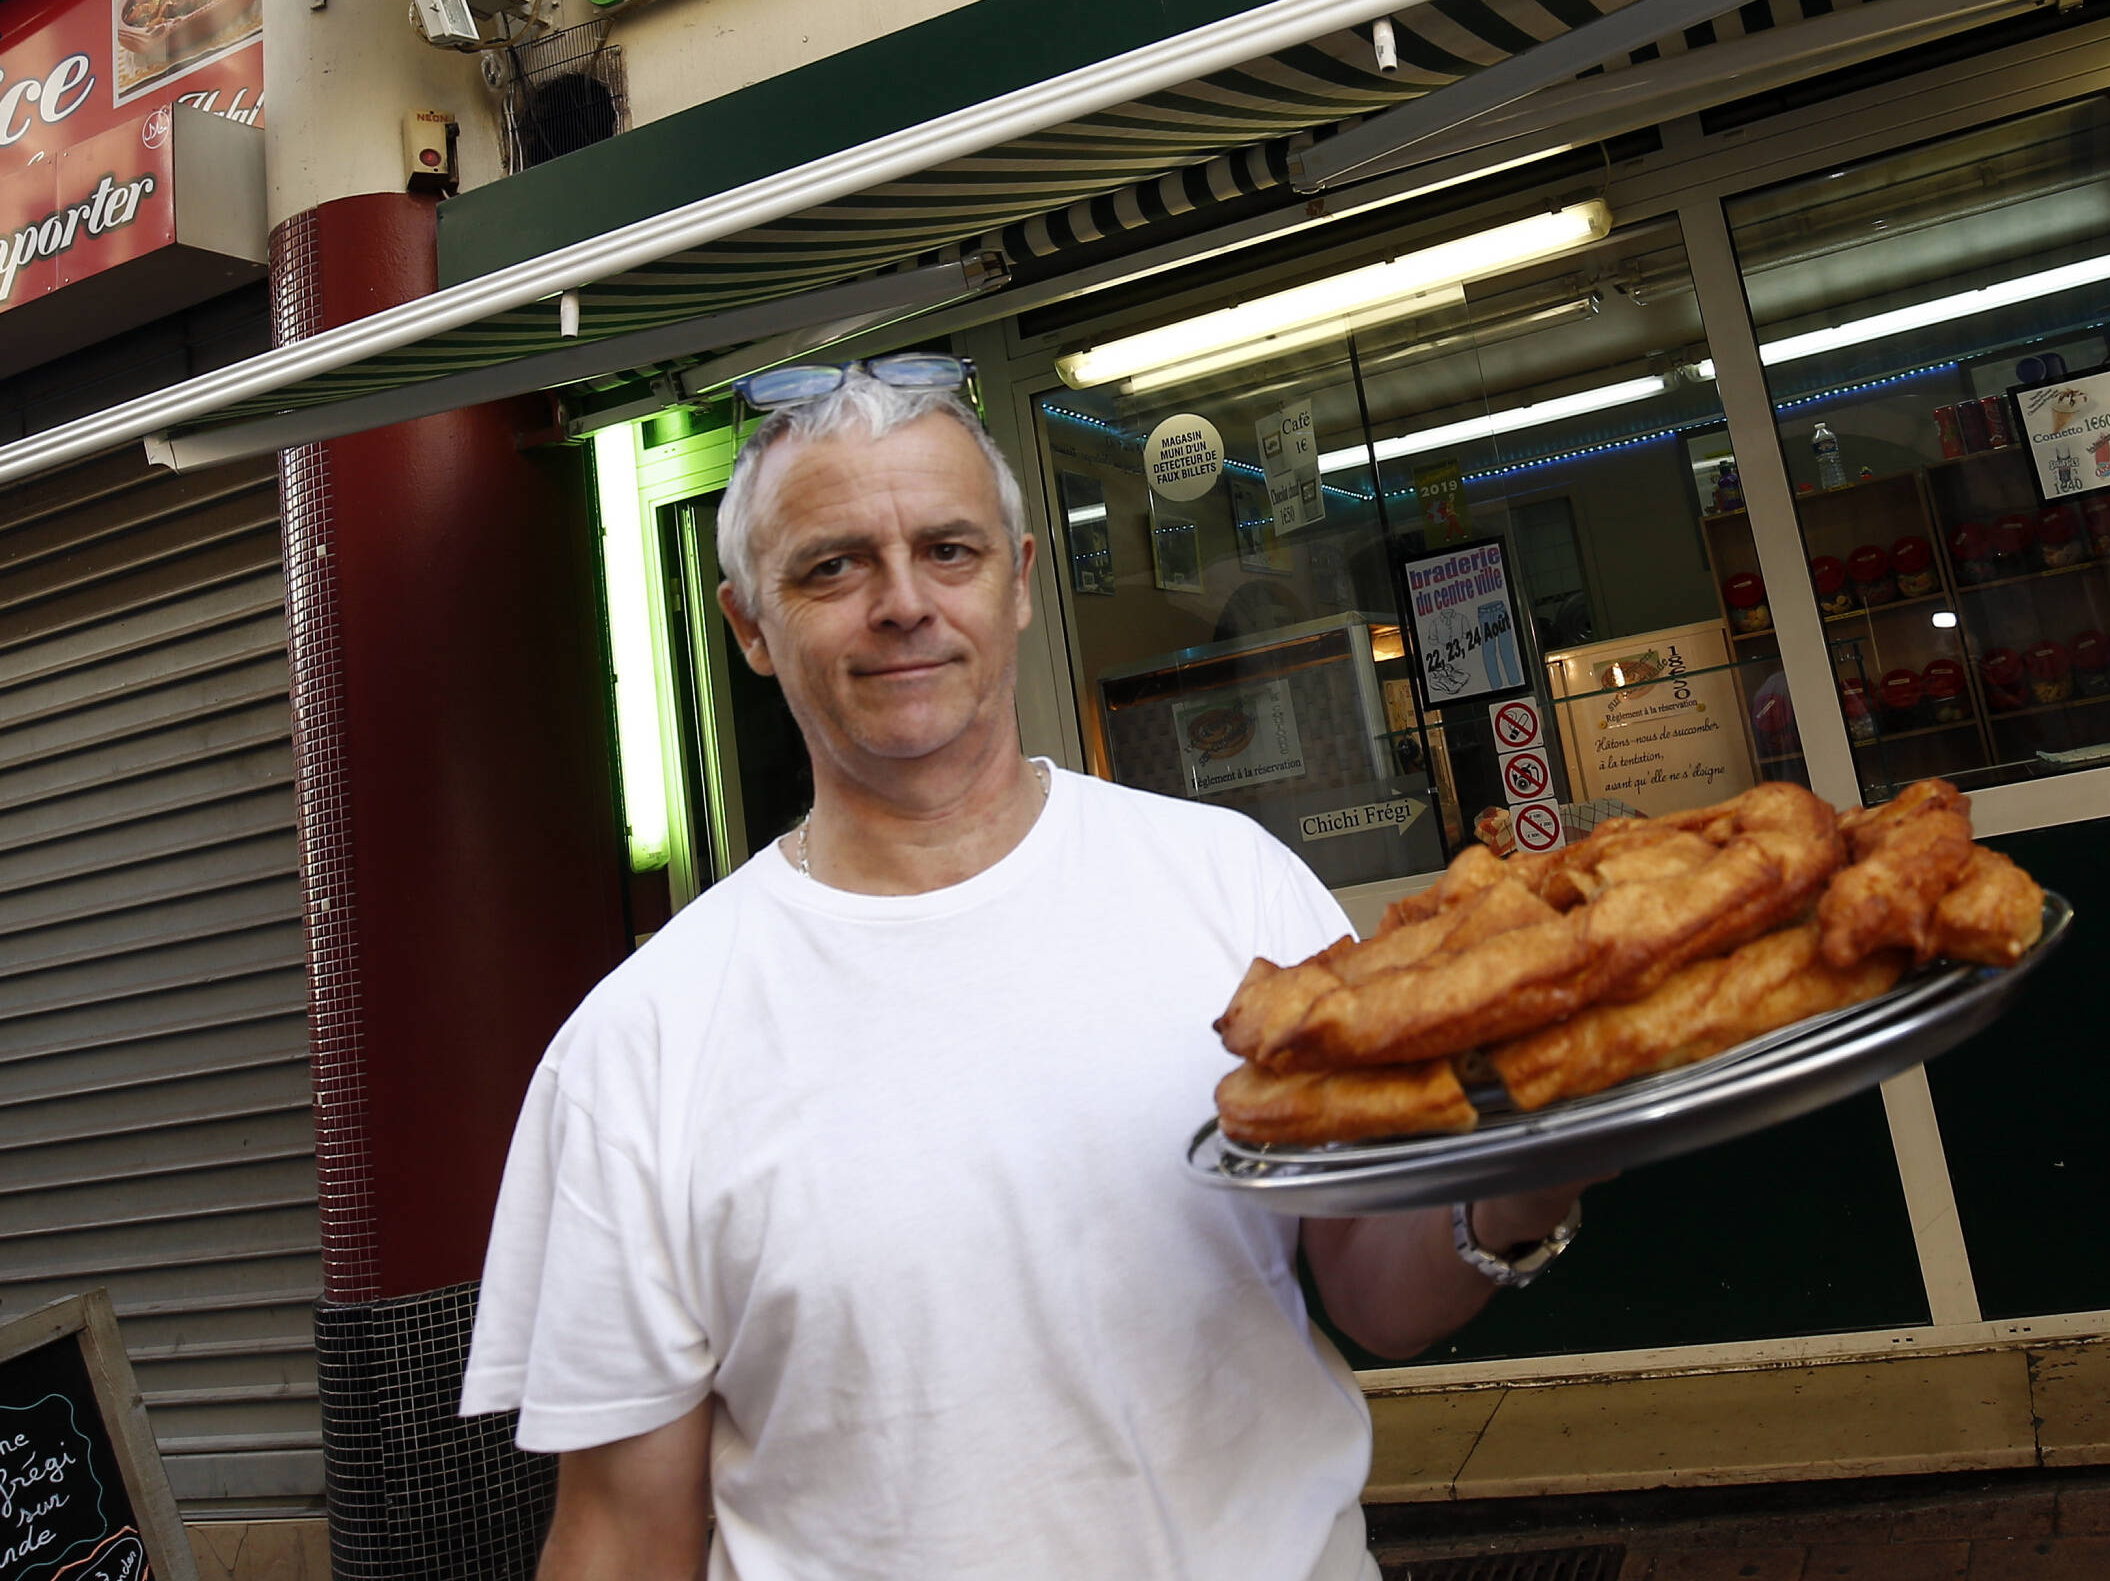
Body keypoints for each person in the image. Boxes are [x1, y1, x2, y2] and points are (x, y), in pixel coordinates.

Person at [459, 362, 1587, 1580]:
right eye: (831, 565)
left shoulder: (1233, 893)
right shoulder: (638, 1048)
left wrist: (1529, 1186)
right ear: (749, 627)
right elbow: (627, 1535)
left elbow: (1376, 1294)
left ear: (1022, 583)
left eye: (949, 550)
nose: (902, 603)